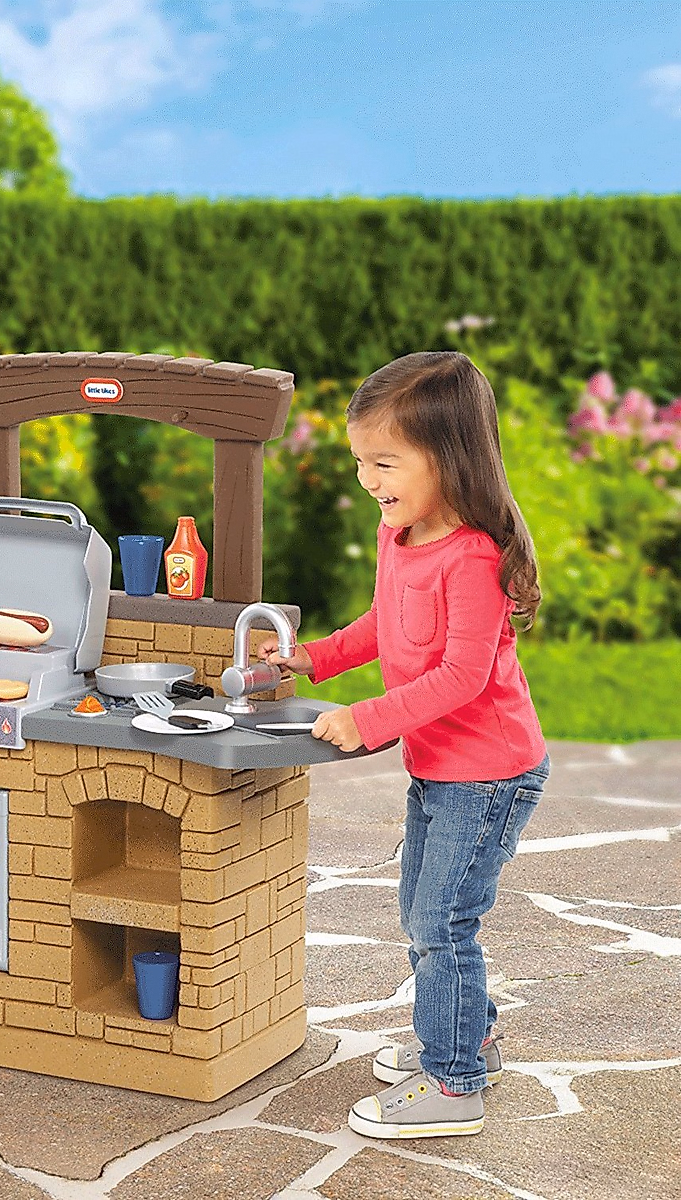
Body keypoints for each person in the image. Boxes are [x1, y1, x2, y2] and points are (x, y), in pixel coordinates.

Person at [258, 351, 548, 1139]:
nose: (368, 480)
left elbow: (462, 676)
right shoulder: (403, 535)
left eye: (384, 463)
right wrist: (314, 657)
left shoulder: (473, 558)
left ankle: (453, 1084)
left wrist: (369, 717)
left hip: (489, 776)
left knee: (439, 924)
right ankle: (469, 1039)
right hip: (444, 771)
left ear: (449, 457)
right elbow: (382, 625)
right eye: (361, 462)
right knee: (424, 913)